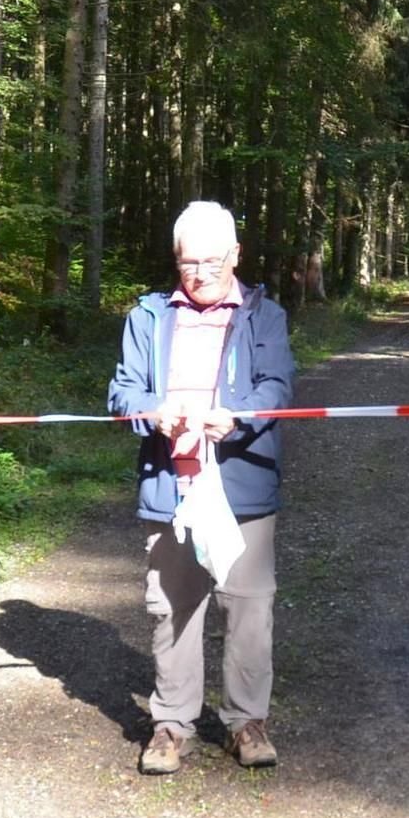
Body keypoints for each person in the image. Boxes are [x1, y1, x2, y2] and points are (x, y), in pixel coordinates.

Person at [109, 201, 295, 775]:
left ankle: (247, 723)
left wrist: (236, 416)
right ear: (176, 260)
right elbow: (123, 393)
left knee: (249, 607)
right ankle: (170, 724)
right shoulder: (146, 316)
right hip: (170, 483)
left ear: (236, 255)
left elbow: (278, 387)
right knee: (172, 608)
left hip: (241, 484)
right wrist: (154, 413)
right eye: (190, 262)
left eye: (213, 261)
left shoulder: (264, 314)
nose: (201, 273)